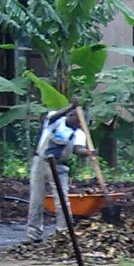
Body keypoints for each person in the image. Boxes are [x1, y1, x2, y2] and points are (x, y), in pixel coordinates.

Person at [26, 104, 90, 243]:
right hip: (41, 162)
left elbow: (79, 150)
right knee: (36, 199)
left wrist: (89, 153)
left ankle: (63, 232)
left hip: (59, 166)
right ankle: (33, 234)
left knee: (62, 200)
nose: (72, 118)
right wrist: (71, 106)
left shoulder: (78, 134)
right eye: (71, 114)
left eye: (77, 118)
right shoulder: (55, 121)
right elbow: (54, 115)